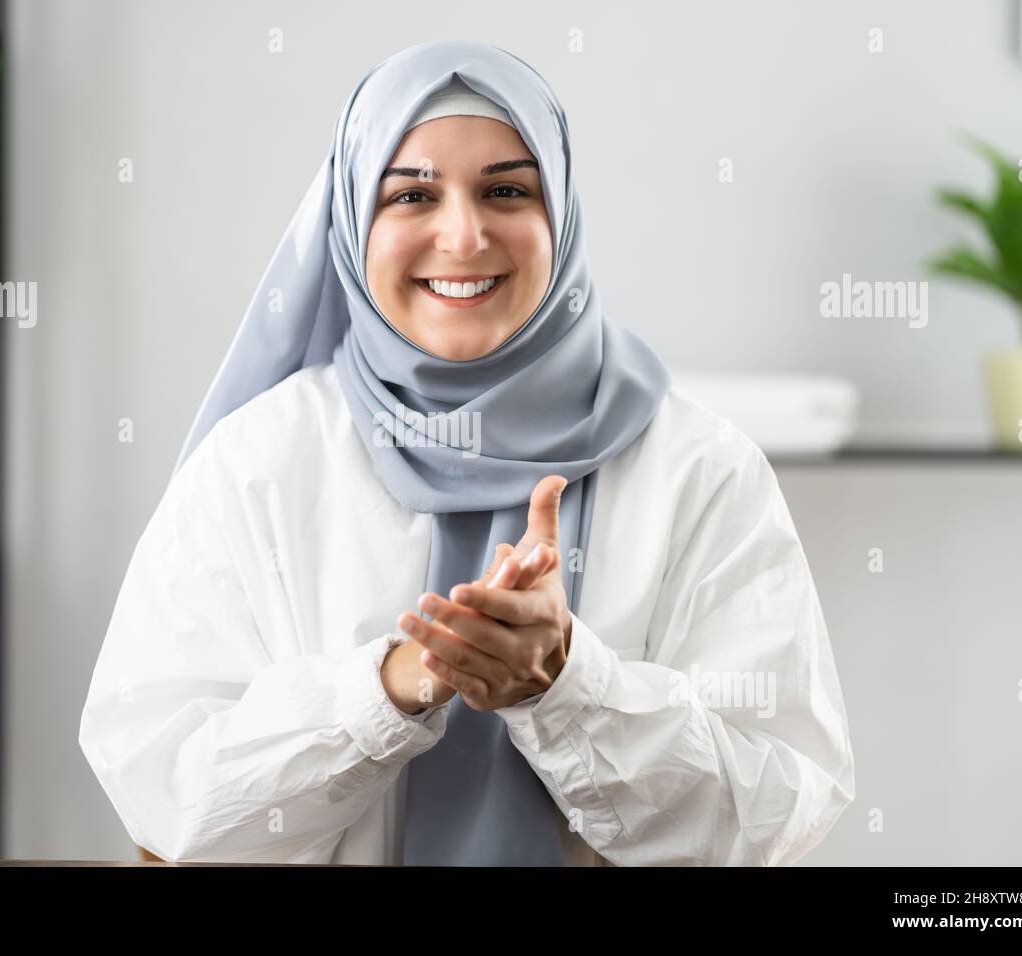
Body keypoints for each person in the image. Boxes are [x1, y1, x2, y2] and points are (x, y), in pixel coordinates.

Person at [78, 39, 855, 866]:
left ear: (560, 214)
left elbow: (777, 818)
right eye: (411, 194)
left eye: (507, 190)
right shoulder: (258, 464)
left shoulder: (702, 470)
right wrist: (393, 688)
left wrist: (568, 687)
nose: (462, 234)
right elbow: (168, 803)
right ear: (351, 222)